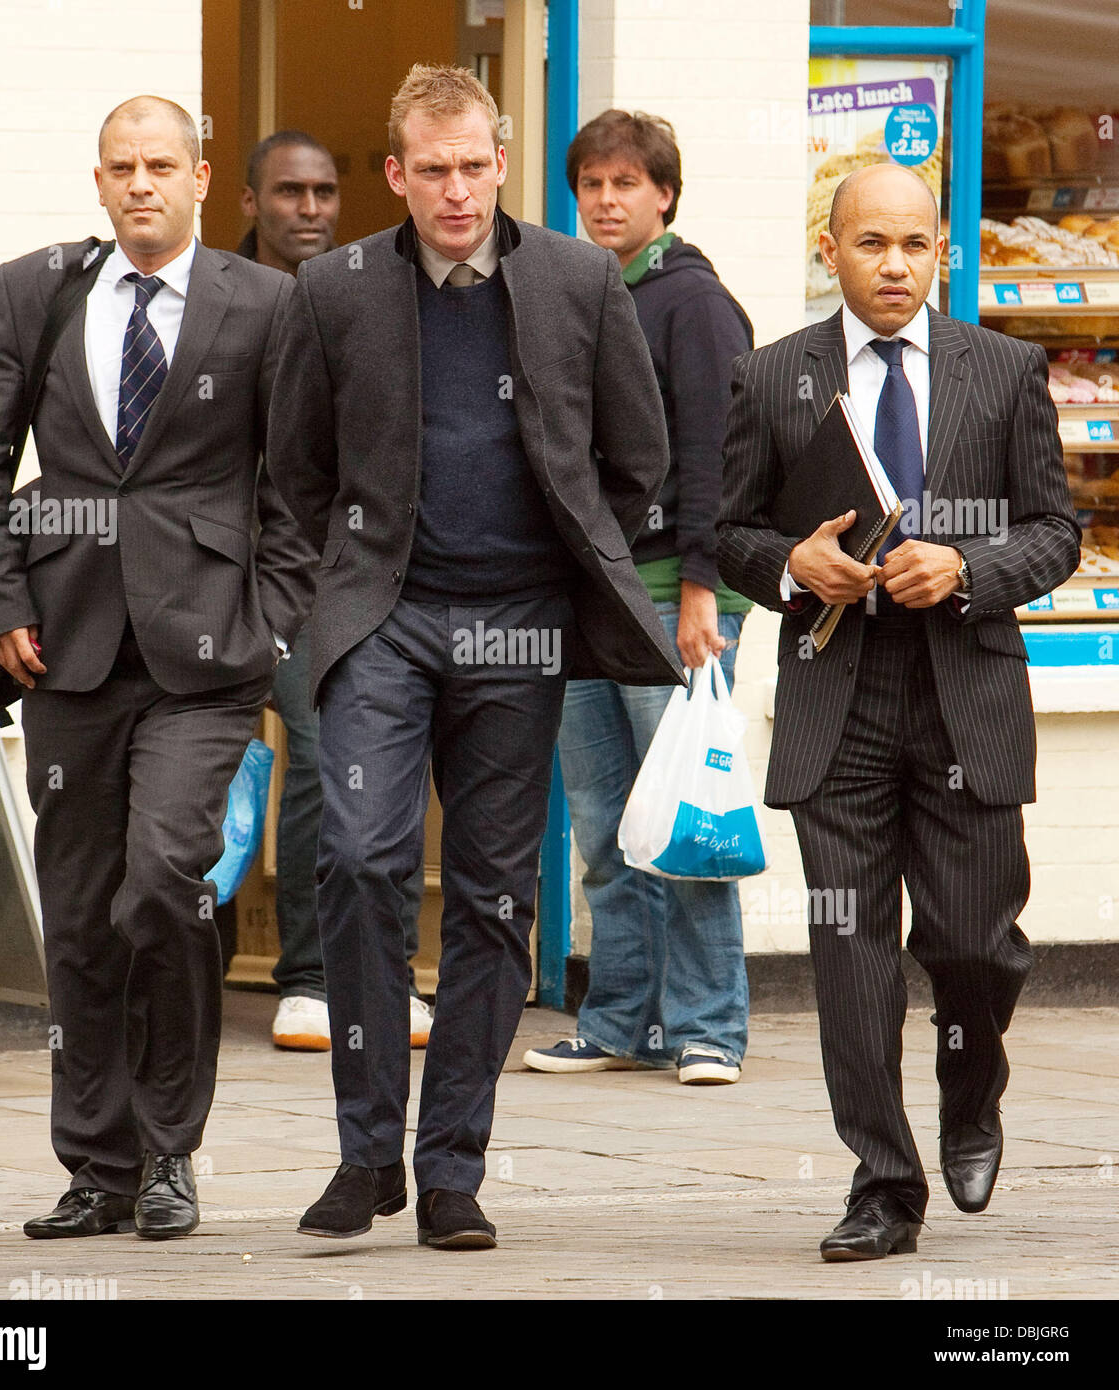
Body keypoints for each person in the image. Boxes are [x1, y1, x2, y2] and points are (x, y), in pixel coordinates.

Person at [267, 64, 679, 1250]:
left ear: (503, 162)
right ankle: (364, 1157)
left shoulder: (579, 278)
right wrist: (310, 612)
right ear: (395, 176)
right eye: (430, 170)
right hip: (381, 620)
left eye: (473, 165)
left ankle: (451, 1169)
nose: (455, 190)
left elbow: (635, 460)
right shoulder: (333, 291)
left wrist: (556, 576)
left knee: (497, 900)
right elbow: (289, 480)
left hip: (521, 628)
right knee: (358, 857)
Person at [0, 96, 308, 1240]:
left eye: (162, 165)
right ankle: (95, 1165)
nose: (142, 183)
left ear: (202, 178)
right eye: (122, 167)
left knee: (163, 882)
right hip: (65, 644)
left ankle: (169, 1150)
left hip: (208, 653)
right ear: (97, 181)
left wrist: (277, 618)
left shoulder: (266, 301)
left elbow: (301, 482)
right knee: (83, 914)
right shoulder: (34, 289)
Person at [717, 162, 1080, 1261]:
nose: (894, 265)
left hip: (964, 692)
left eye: (914, 245)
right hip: (842, 698)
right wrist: (796, 566)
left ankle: (971, 1091)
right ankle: (884, 1180)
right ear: (830, 251)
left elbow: (1055, 532)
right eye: (872, 244)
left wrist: (966, 567)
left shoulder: (1006, 371)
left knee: (975, 945)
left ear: (941, 253)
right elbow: (726, 534)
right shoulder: (771, 377)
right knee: (851, 952)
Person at [523, 110, 753, 1086]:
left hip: (672, 600)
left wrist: (702, 587)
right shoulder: (580, 295)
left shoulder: (692, 302)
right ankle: (618, 1019)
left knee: (690, 820)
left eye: (627, 183)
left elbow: (714, 454)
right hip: (590, 602)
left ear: (665, 194)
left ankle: (709, 1026)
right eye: (592, 184)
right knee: (611, 822)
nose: (607, 200)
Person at [234, 128, 431, 1052]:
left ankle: (328, 976)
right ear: (247, 203)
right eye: (287, 193)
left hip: (327, 576)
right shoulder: (219, 297)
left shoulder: (363, 292)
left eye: (322, 192)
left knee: (330, 749)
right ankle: (215, 965)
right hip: (213, 580)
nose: (308, 209)